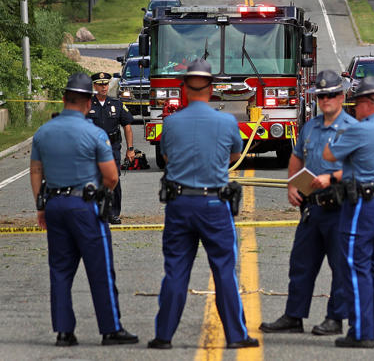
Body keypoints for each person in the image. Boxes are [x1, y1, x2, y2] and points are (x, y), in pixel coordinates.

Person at [148, 59, 259, 350]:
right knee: (223, 270)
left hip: (180, 202)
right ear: (212, 89)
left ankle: (163, 336)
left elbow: (168, 159)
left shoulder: (170, 123)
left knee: (176, 270)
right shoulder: (226, 122)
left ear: (184, 88)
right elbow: (235, 156)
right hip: (213, 202)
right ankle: (236, 335)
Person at [29, 72, 139, 347]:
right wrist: (101, 195)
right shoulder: (94, 133)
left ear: (65, 99)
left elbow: (35, 171)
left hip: (54, 204)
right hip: (84, 206)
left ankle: (64, 332)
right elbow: (111, 176)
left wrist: (41, 205)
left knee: (60, 269)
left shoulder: (43, 132)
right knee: (100, 269)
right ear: (88, 102)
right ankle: (110, 328)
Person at [260, 70, 357, 336]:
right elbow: (296, 157)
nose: (326, 99)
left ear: (342, 95)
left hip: (340, 205)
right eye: (322, 95)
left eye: (332, 94)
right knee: (300, 263)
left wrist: (332, 177)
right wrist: (292, 184)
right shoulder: (311, 127)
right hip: (312, 208)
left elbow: (361, 168)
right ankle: (293, 316)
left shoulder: (352, 129)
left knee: (340, 265)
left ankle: (335, 318)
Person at [322, 76, 374, 348]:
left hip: (364, 205)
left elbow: (329, 155)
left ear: (368, 103)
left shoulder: (359, 130)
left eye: (356, 104)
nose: (354, 110)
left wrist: (337, 130)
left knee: (356, 267)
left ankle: (361, 331)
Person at [87, 72, 134, 225]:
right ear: (95, 86)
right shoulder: (87, 105)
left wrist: (130, 148)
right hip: (93, 148)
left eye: (106, 84)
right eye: (100, 84)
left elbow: (127, 126)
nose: (104, 87)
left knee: (114, 179)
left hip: (112, 147)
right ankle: (95, 212)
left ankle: (113, 213)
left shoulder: (117, 104)